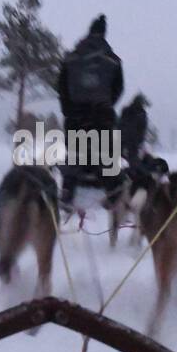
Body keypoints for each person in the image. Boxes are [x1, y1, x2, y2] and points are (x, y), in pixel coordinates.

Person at [57, 14, 124, 213]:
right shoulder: (112, 59)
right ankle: (113, 196)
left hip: (76, 115)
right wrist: (105, 105)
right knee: (105, 155)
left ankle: (67, 195)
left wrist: (68, 109)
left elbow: (61, 86)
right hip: (101, 115)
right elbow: (118, 88)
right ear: (103, 33)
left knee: (76, 155)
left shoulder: (72, 57)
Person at [118, 92, 150, 167]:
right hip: (131, 141)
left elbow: (120, 125)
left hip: (125, 140)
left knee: (124, 159)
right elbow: (142, 129)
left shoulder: (127, 111)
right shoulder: (141, 113)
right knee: (132, 161)